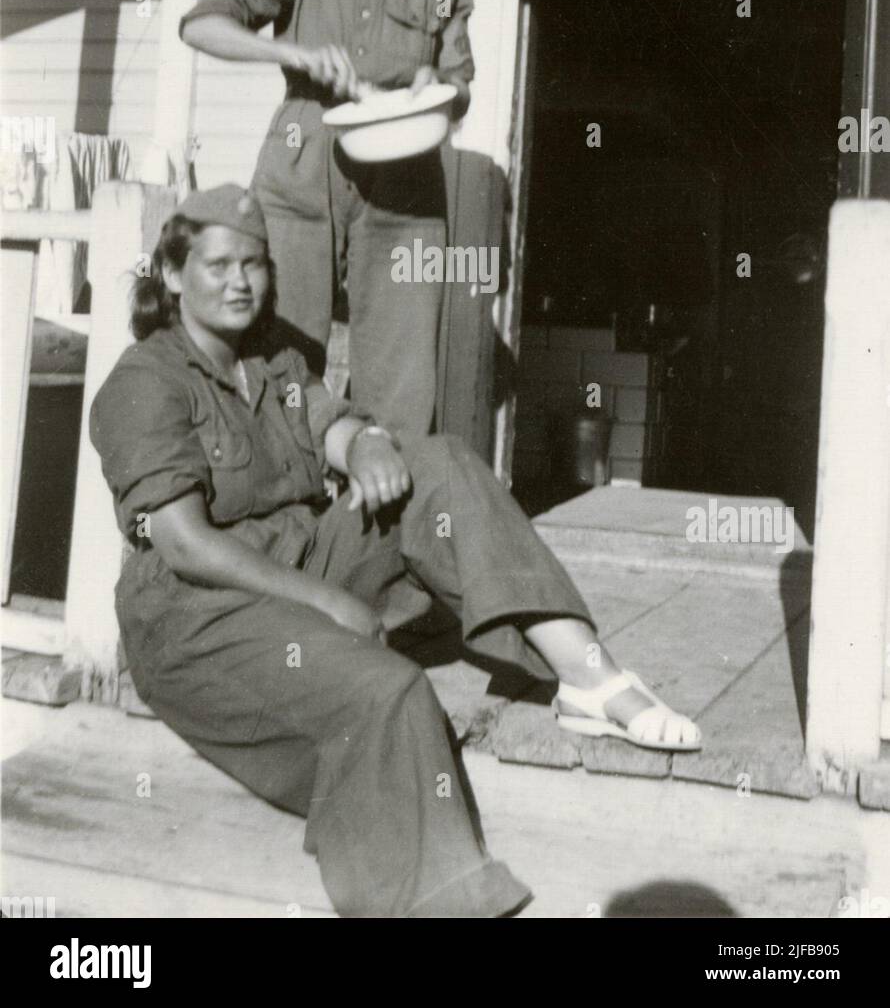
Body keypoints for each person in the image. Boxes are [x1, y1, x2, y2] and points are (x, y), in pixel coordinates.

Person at [90, 184, 702, 919]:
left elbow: (327, 423)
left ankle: (588, 678)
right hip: (197, 614)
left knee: (438, 462)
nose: (240, 282)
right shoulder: (143, 382)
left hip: (292, 557)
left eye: (253, 264)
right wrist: (326, 599)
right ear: (173, 272)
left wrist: (368, 444)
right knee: (388, 692)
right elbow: (184, 544)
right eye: (218, 266)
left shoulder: (274, 356)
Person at [179, 0, 474, 436]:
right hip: (299, 164)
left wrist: (439, 88)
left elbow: (459, 84)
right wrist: (292, 49)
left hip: (405, 178)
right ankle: (279, 509)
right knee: (274, 345)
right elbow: (202, 24)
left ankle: (381, 521)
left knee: (400, 375)